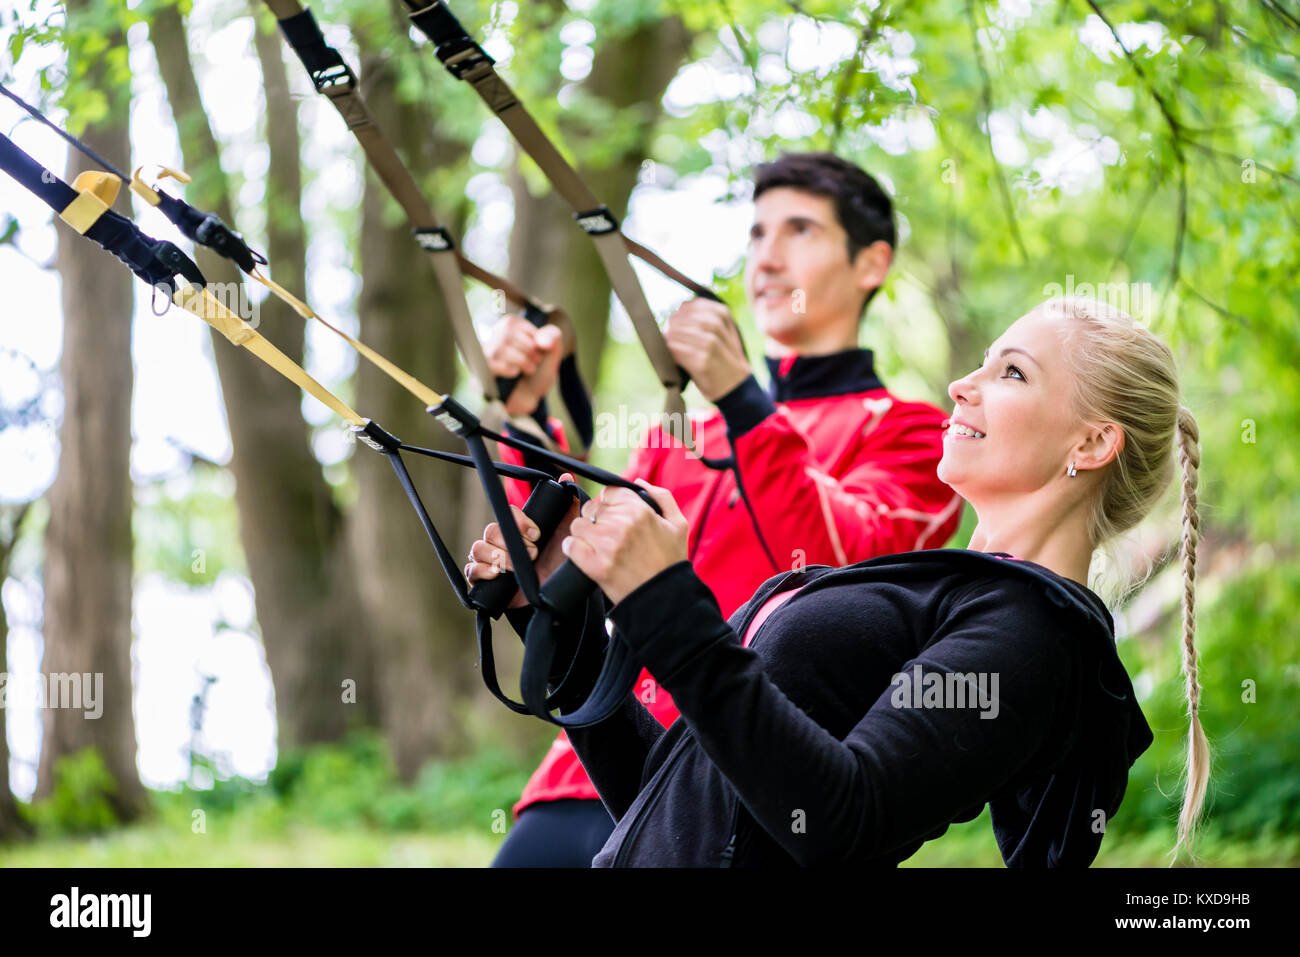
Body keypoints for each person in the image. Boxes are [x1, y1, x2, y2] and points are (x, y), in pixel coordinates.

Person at [469, 296, 1210, 867]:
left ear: (1091, 441)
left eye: (1011, 371)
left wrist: (666, 597)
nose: (962, 384)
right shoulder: (942, 589)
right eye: (981, 363)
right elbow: (685, 808)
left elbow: (841, 825)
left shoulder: (1034, 633)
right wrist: (558, 625)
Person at [482, 153, 965, 866]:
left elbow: (846, 561)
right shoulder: (685, 435)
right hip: (584, 763)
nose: (766, 259)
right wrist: (523, 424)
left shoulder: (913, 430)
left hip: (732, 796)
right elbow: (572, 566)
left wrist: (744, 401)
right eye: (758, 234)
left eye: (799, 230)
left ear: (872, 263)